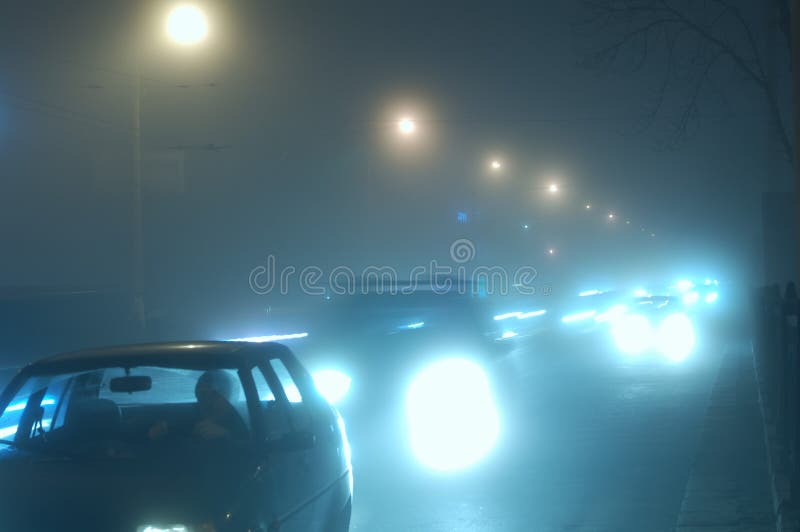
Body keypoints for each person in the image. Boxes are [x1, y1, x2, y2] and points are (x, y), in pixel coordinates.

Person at [149, 370, 248, 441]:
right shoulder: (189, 417)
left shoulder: (244, 419)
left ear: (229, 396)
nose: (207, 401)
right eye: (202, 395)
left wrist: (226, 435)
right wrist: (159, 431)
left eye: (215, 394)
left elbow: (251, 446)